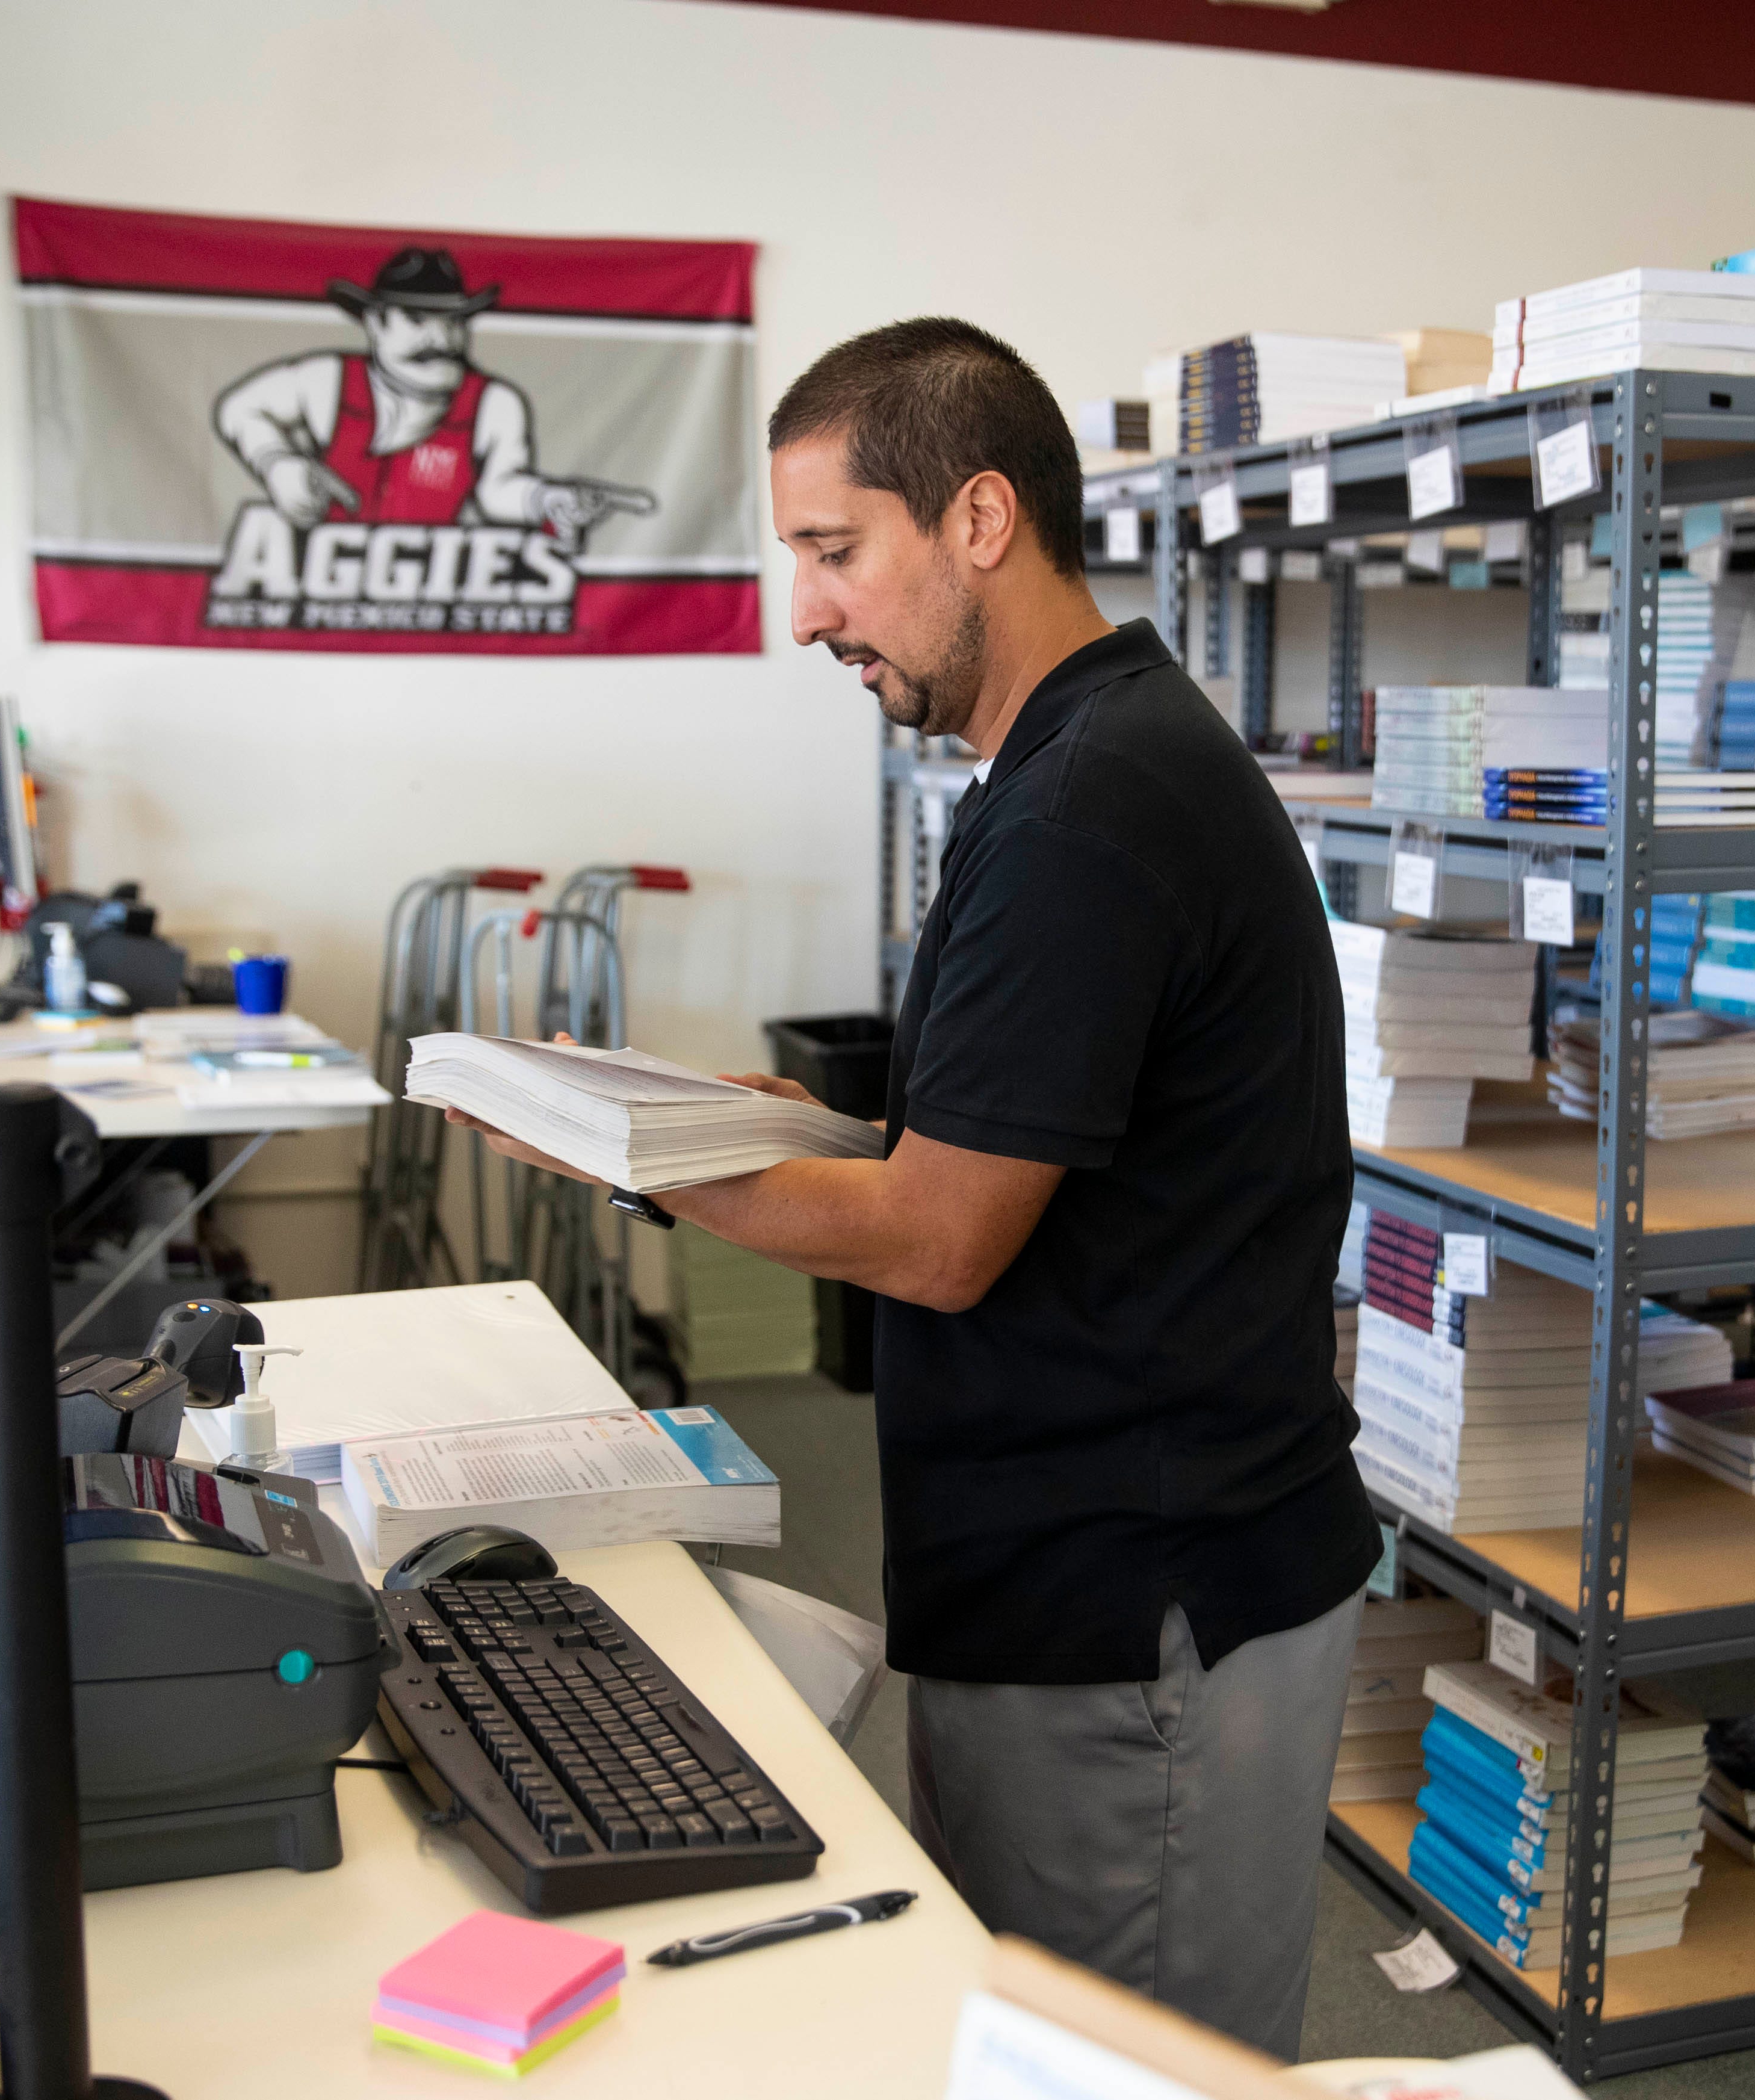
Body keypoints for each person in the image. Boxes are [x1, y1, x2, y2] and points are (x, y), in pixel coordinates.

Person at [450, 316, 1375, 2053]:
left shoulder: (1088, 809)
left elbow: (942, 1243)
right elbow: (1003, 1165)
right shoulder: (1070, 765)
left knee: (1120, 2073)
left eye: (831, 553)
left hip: (1135, 1609)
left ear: (977, 519)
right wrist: (779, 1132)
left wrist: (635, 1156)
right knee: (1019, 2046)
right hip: (1068, 1575)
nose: (806, 612)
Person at [211, 244, 655, 549]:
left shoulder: (494, 405)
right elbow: (238, 408)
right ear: (375, 324)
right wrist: (278, 464)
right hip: (311, 605)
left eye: (455, 321)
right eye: (417, 320)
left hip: (423, 604)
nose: (442, 337)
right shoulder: (326, 382)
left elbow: (498, 490)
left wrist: (547, 500)